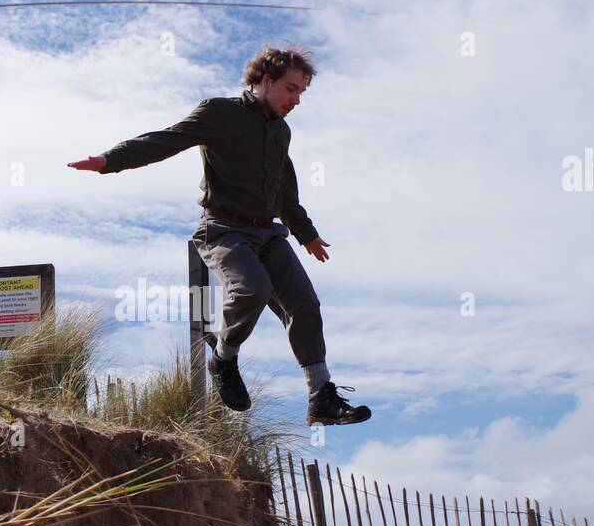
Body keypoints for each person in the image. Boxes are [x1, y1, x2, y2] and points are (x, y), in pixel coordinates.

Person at [68, 44, 370, 426]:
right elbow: (165, 139)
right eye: (291, 89)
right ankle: (223, 359)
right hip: (223, 229)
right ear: (265, 80)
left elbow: (285, 193)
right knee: (252, 290)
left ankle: (320, 396)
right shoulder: (219, 112)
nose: (296, 100)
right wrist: (111, 160)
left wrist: (307, 234)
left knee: (305, 305)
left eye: (301, 93)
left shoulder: (281, 132)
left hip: (269, 234)